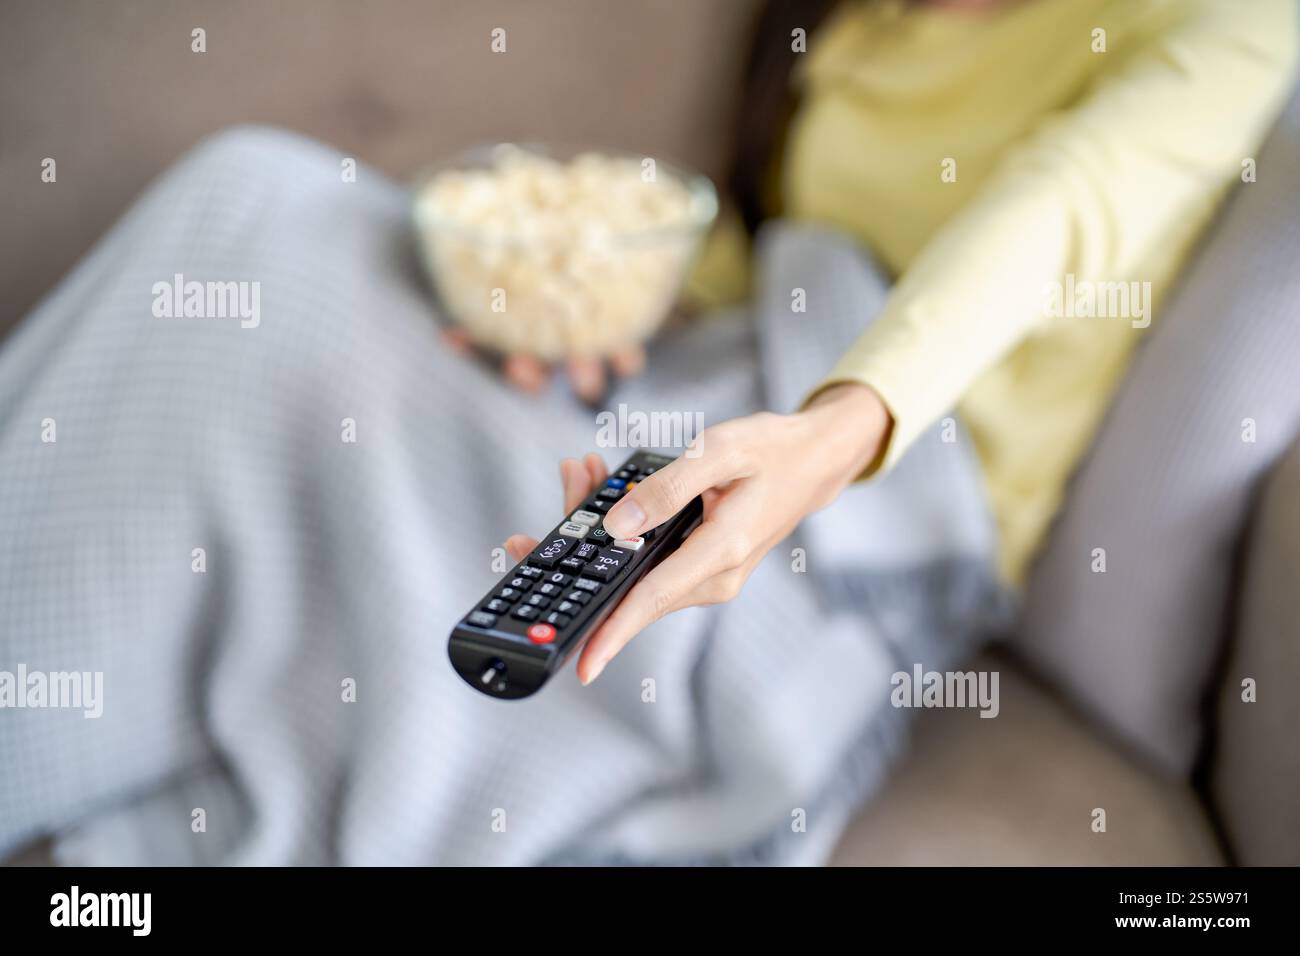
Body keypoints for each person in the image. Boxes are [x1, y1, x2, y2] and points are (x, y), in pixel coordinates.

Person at [0, 0, 1294, 865]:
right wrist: (598, 319)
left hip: (880, 501)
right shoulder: (864, 21)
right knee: (256, 202)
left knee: (299, 318)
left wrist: (836, 433)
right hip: (726, 383)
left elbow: (1063, 212)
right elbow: (760, 252)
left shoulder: (1230, 21)